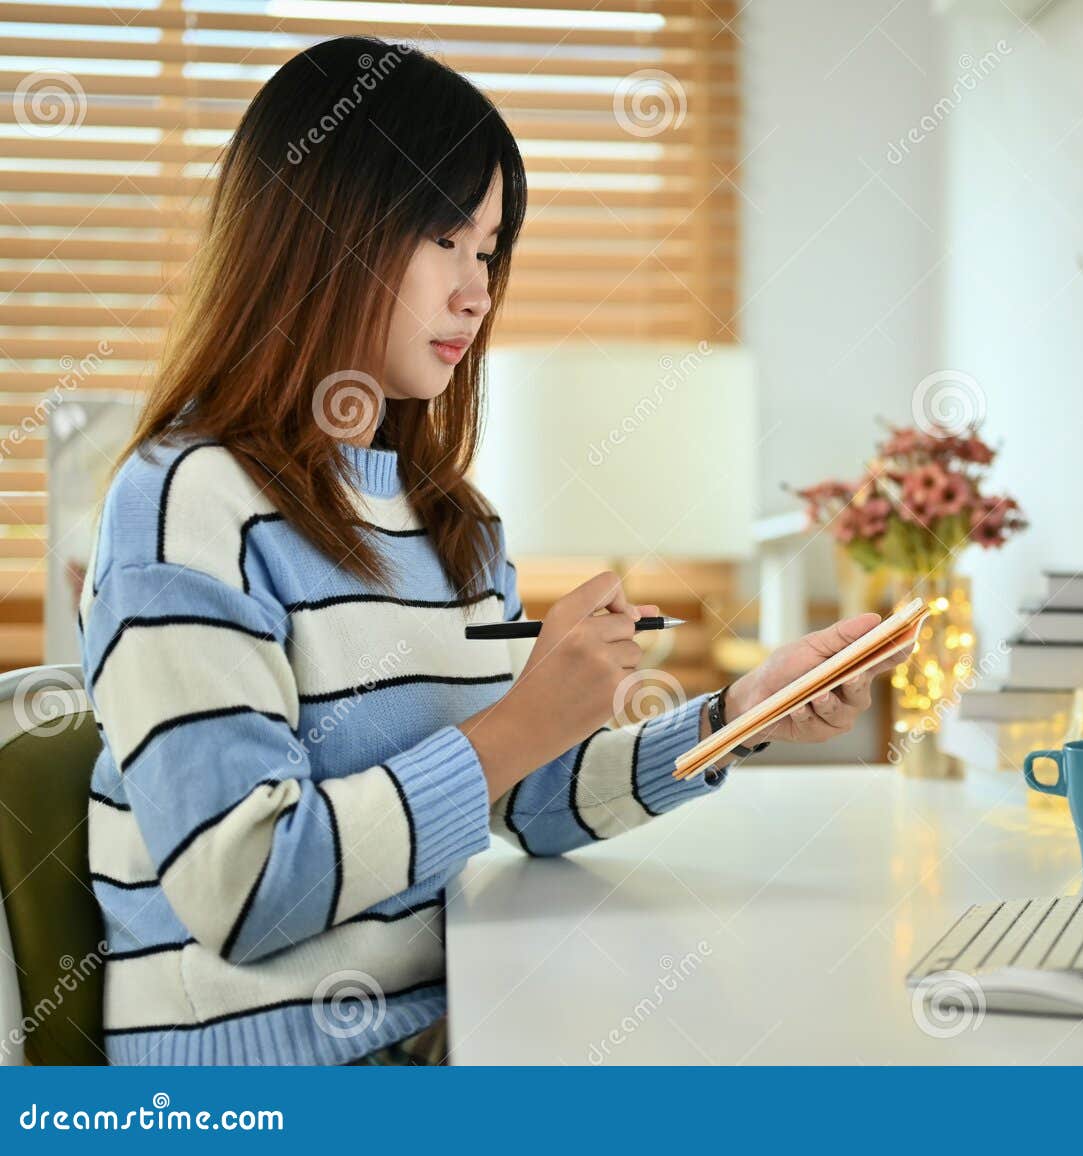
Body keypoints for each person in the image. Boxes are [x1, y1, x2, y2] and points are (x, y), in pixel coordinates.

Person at [78, 36, 902, 1066]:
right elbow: (242, 886)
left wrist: (742, 714)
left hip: (457, 1027)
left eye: (490, 250)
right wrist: (517, 723)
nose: (476, 291)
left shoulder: (450, 523)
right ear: (319, 232)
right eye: (442, 238)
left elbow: (532, 798)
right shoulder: (185, 500)